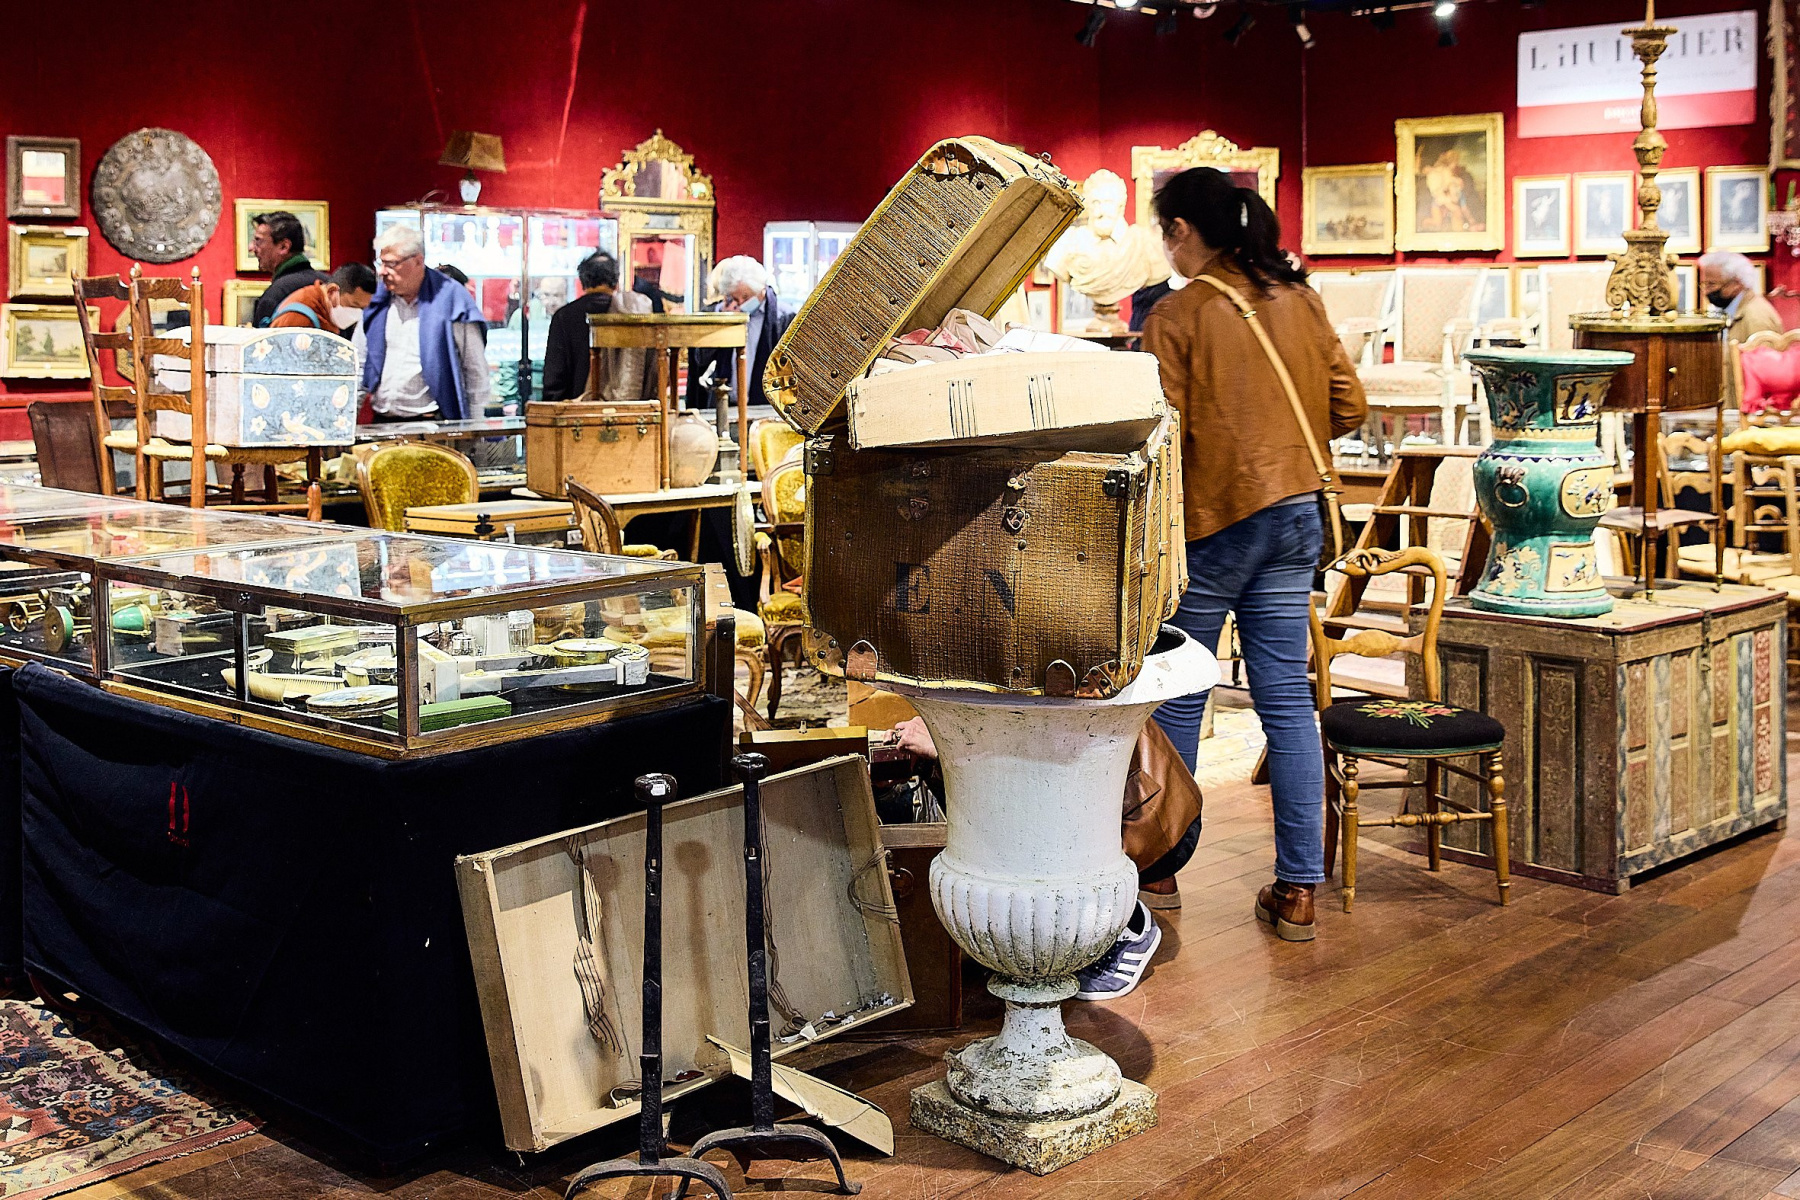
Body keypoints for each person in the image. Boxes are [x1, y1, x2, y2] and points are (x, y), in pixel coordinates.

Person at [1141, 166, 1367, 944]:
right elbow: (1349, 404)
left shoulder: (1178, 314)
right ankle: (1300, 887)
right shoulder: (1301, 299)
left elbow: (1159, 434)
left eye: (1162, 229)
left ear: (1182, 231)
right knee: (1287, 702)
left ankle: (1157, 869)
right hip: (1298, 514)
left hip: (1213, 522)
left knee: (1178, 695)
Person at [361, 224, 492, 422]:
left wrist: (473, 426)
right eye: (380, 262)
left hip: (431, 424)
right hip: (383, 422)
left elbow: (475, 369)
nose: (381, 272)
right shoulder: (380, 301)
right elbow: (358, 362)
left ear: (417, 261)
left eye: (391, 264)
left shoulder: (452, 298)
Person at [540, 252, 653, 402]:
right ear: (616, 281)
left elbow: (554, 375)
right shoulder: (636, 312)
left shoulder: (565, 316)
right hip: (628, 411)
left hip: (577, 413)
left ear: (582, 281)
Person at [685, 256, 792, 408]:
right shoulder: (717, 312)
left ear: (761, 290)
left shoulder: (785, 318)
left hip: (767, 406)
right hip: (725, 404)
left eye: (746, 297)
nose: (741, 303)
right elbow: (700, 359)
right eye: (735, 297)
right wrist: (721, 323)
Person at [250, 211, 325, 328]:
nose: (251, 248)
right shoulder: (328, 285)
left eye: (258, 241)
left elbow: (261, 345)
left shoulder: (275, 295)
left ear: (284, 247)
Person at [269, 263, 376, 336]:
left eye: (362, 308)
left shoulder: (326, 312)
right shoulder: (299, 318)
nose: (357, 313)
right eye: (353, 305)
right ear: (331, 291)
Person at [1699, 251, 1783, 343]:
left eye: (1711, 284)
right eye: (1704, 284)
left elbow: (1764, 356)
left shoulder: (1757, 317)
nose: (1706, 291)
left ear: (1736, 284)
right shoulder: (1730, 309)